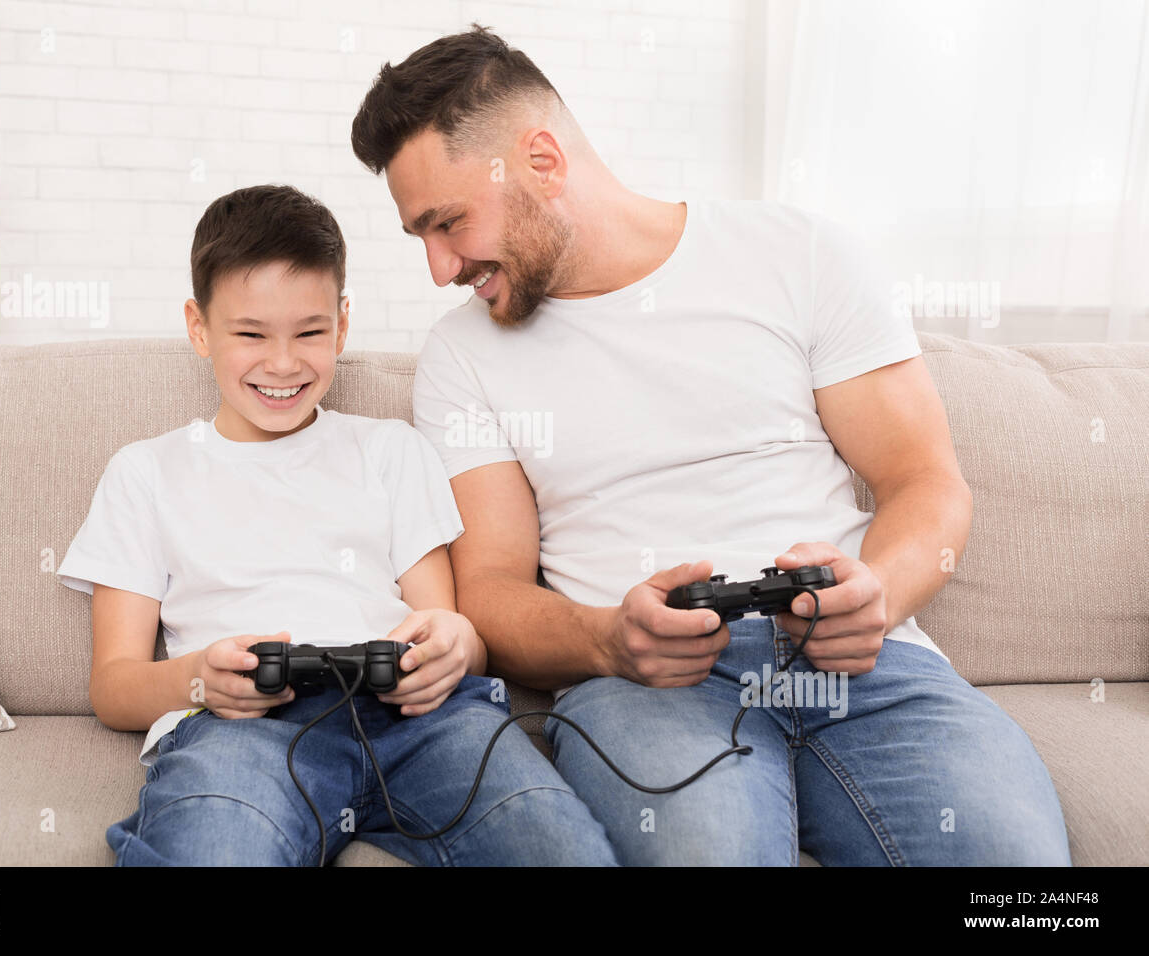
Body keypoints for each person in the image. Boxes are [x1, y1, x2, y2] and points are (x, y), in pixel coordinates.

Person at [349, 24, 1071, 865]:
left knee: (1015, 871)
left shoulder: (797, 252)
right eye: (422, 239)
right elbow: (492, 590)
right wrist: (606, 638)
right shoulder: (462, 359)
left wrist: (877, 589)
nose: (440, 268)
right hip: (646, 690)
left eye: (450, 224)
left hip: (868, 671)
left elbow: (924, 481)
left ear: (541, 162)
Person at [56, 183, 616, 867]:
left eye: (311, 333)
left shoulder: (389, 450)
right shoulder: (145, 472)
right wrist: (198, 679)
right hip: (243, 732)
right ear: (198, 327)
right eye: (251, 334)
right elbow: (113, 686)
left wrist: (450, 648)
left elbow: (451, 627)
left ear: (343, 325)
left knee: (560, 847)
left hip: (421, 722)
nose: (284, 363)